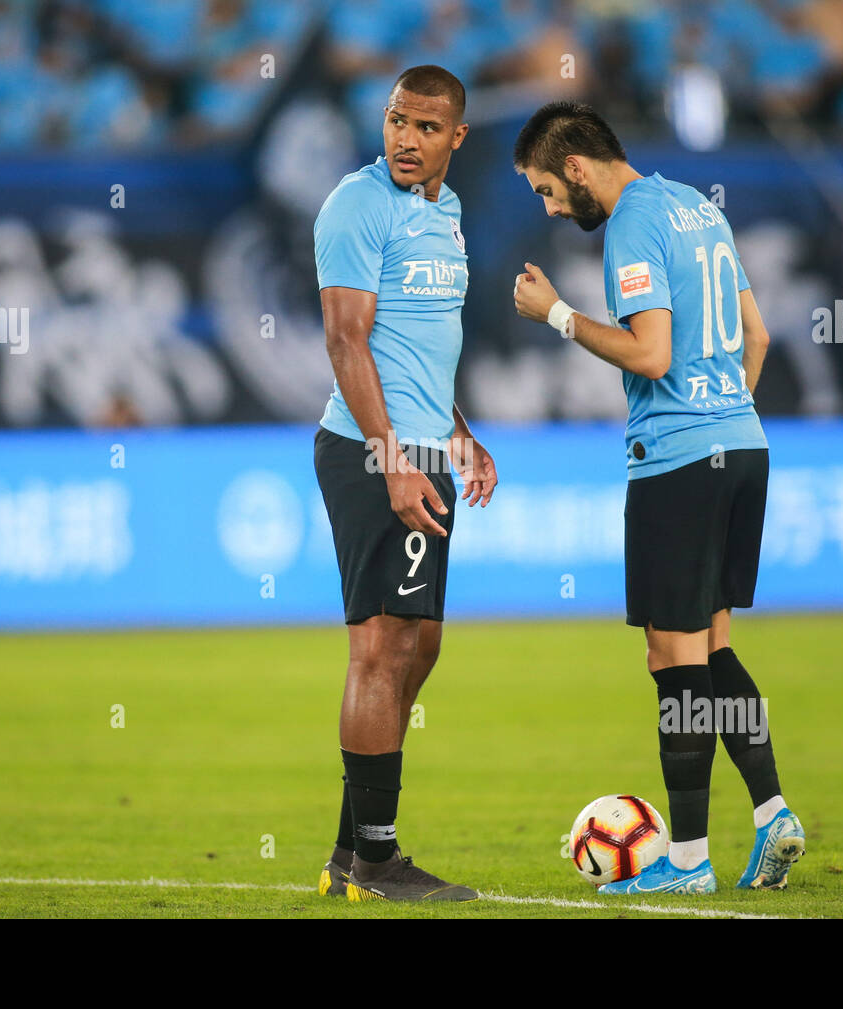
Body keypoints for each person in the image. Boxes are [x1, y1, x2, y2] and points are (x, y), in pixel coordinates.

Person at [511, 101, 804, 895]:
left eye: (545, 189)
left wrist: (559, 315)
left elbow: (650, 351)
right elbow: (760, 337)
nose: (547, 206)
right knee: (713, 647)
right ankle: (774, 813)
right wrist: (723, 418)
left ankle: (687, 860)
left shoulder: (634, 221)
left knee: (670, 658)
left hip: (677, 462)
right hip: (742, 445)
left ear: (576, 168)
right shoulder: (697, 207)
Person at [313, 64, 497, 902]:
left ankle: (351, 849)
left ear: (457, 136)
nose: (406, 141)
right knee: (380, 648)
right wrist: (390, 458)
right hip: (368, 450)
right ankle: (378, 860)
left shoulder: (447, 214)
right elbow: (348, 343)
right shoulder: (356, 205)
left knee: (419, 647)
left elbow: (421, 344)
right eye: (396, 121)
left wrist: (457, 432)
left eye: (427, 128)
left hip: (422, 447)